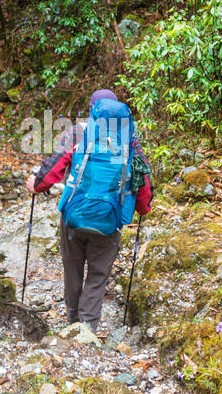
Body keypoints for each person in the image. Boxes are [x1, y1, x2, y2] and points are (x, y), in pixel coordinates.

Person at [26, 89, 152, 332]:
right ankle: (87, 328)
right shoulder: (129, 140)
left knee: (73, 268)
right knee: (97, 275)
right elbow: (142, 180)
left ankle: (72, 321)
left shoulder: (78, 132)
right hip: (109, 220)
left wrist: (37, 184)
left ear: (92, 108)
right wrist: (143, 208)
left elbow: (55, 165)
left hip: (73, 217)